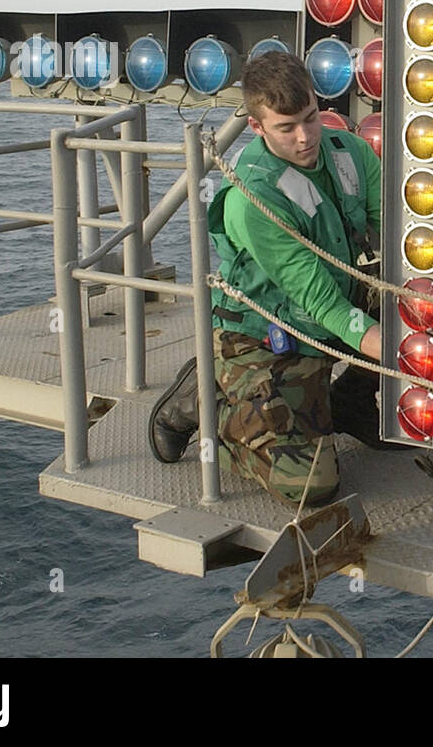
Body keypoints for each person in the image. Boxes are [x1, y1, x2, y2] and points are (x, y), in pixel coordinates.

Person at [150, 50, 384, 508]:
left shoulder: (352, 153)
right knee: (311, 485)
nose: (305, 137)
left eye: (311, 118)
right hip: (268, 336)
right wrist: (396, 350)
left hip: (329, 314)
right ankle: (205, 403)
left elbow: (397, 239)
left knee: (419, 298)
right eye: (286, 127)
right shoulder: (253, 199)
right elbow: (322, 303)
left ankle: (349, 403)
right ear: (257, 127)